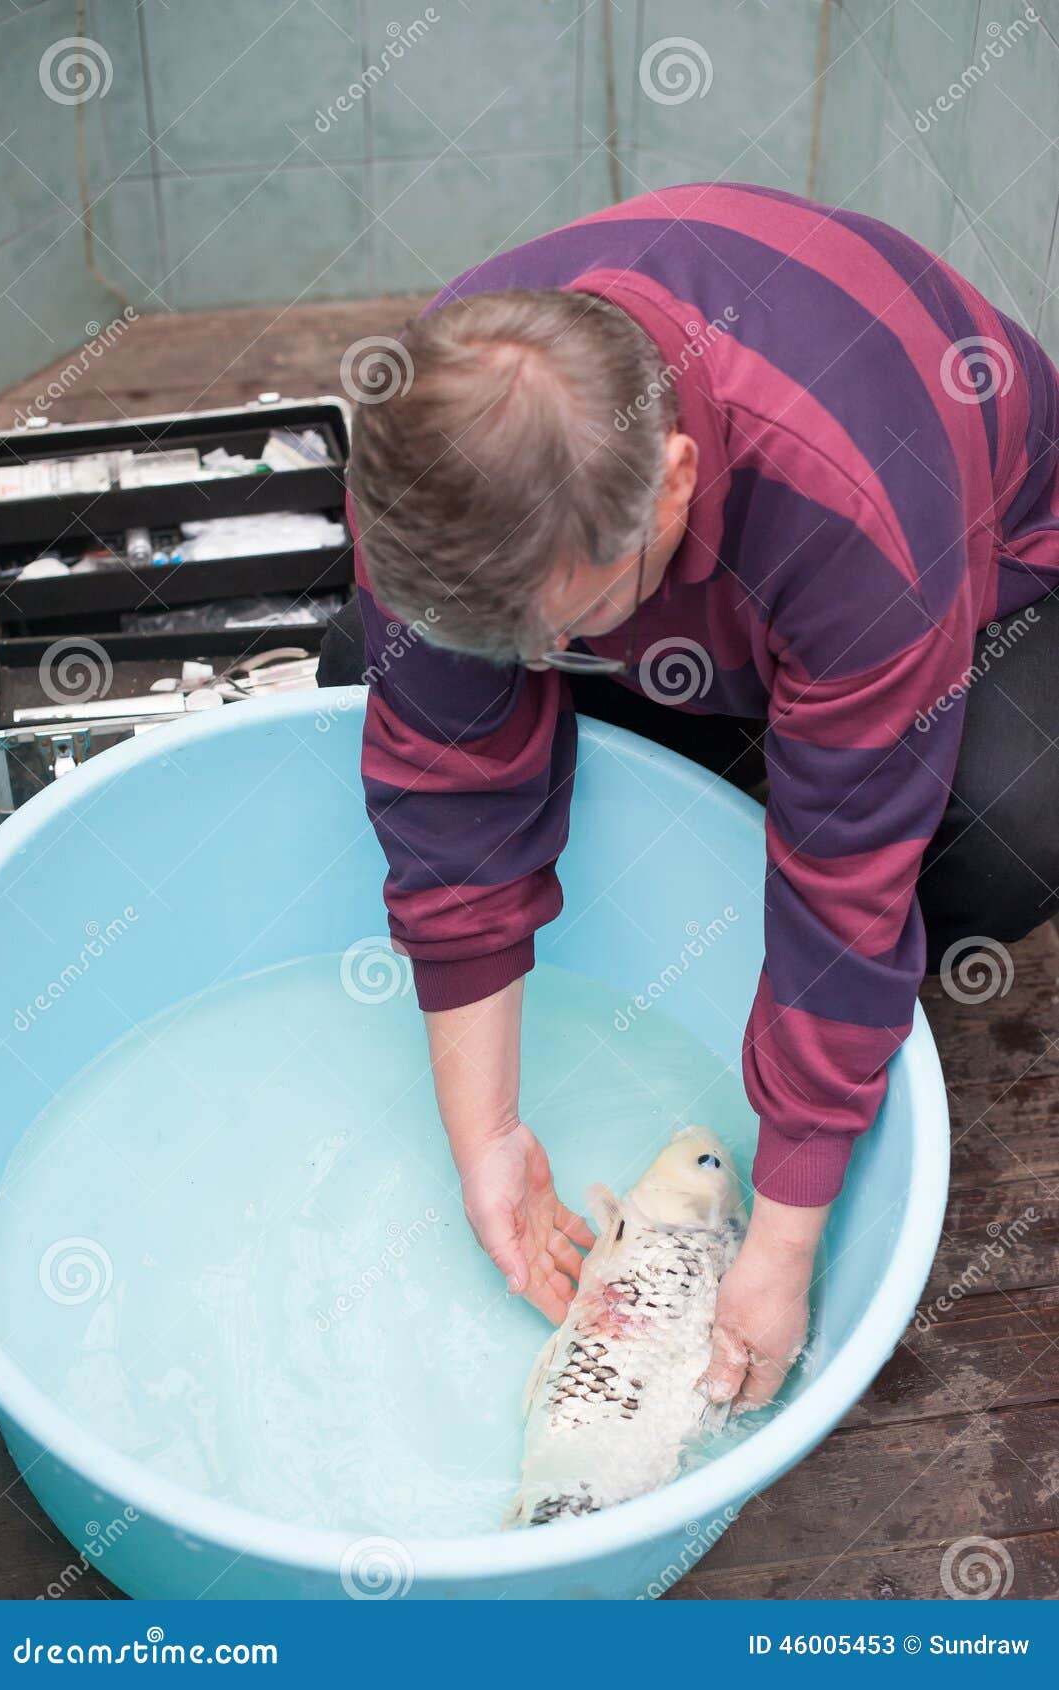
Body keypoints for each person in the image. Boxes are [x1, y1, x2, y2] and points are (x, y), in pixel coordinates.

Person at [319, 183, 1059, 1414]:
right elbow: (447, 781)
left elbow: (846, 889)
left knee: (1001, 825)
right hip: (685, 603)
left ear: (672, 482)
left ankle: (829, 962)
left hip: (976, 583)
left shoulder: (857, 503)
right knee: (371, 664)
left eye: (560, 623)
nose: (533, 658)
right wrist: (487, 1136)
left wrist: (781, 1243)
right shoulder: (425, 459)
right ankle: (696, 718)